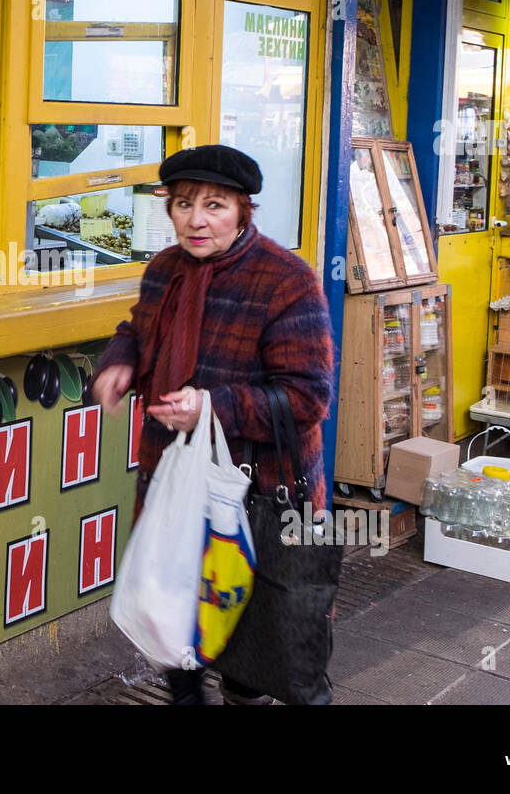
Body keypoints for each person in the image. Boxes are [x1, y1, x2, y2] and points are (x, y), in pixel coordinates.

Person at [92, 144, 334, 705]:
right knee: (172, 618)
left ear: (243, 210)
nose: (195, 220)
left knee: (253, 643)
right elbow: (138, 326)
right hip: (172, 476)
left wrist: (210, 407)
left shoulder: (286, 281)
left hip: (256, 490)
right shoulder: (165, 270)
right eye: (182, 204)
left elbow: (307, 397)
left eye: (214, 205)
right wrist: (121, 359)